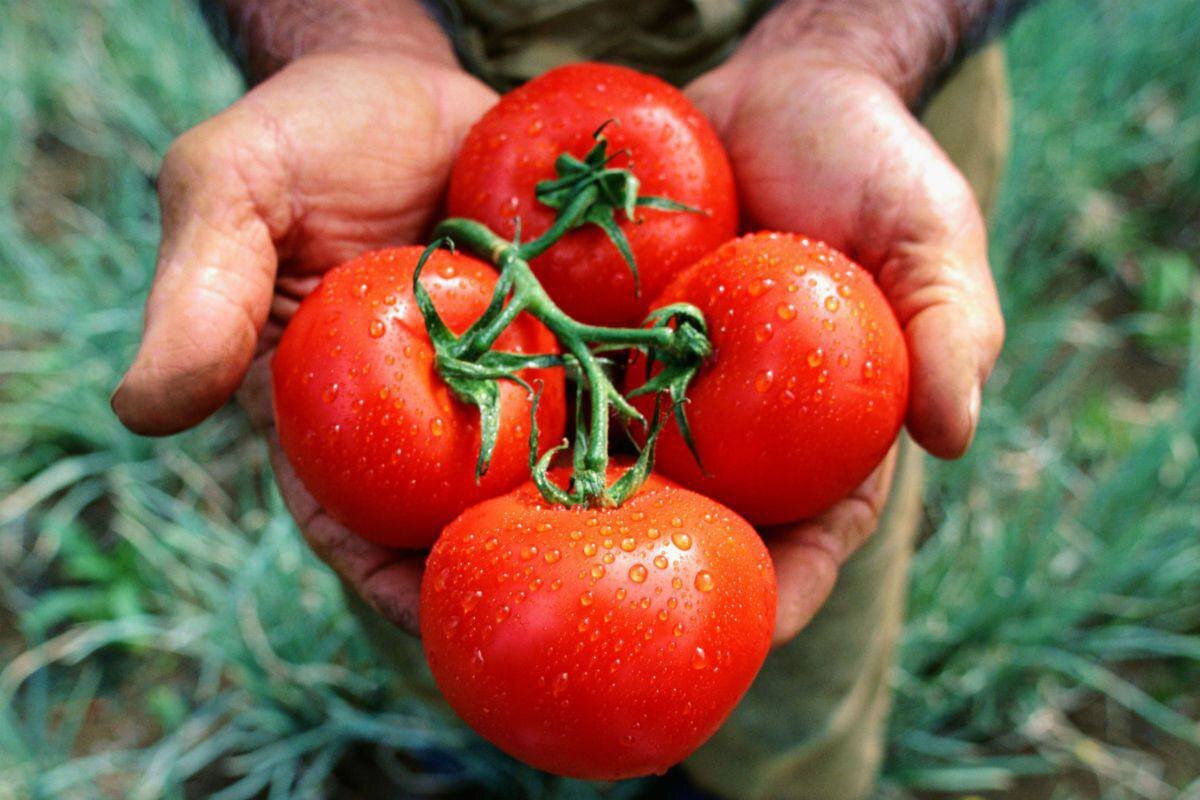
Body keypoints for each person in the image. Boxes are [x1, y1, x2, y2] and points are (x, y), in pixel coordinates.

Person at [112, 1, 1024, 797]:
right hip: (392, 115)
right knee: (422, 613)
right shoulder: (437, 329)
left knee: (811, 654)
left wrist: (849, 41)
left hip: (852, 116)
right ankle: (468, 745)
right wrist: (347, 31)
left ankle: (765, 784)